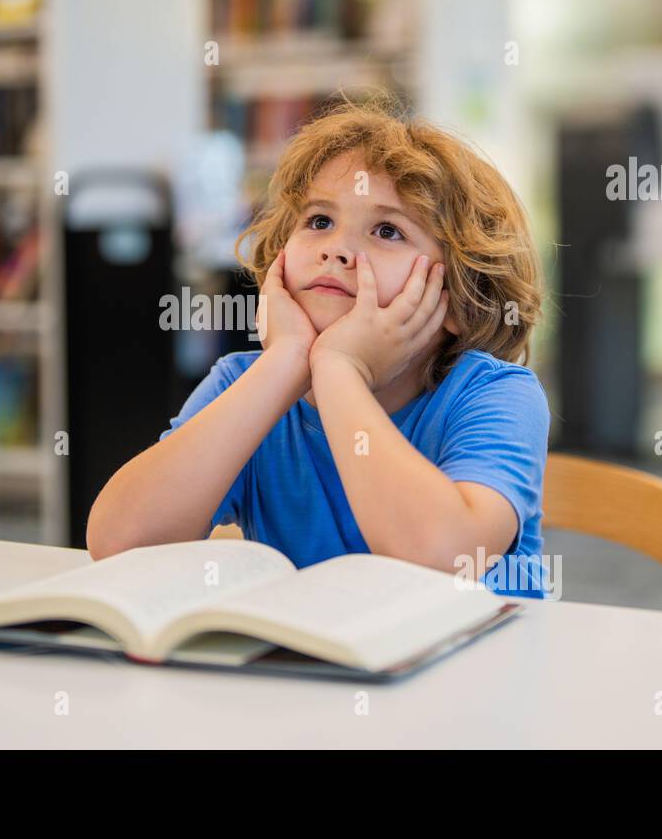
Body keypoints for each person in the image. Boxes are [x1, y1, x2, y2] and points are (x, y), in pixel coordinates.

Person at [87, 96, 550, 598]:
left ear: (461, 298)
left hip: (473, 672)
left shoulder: (497, 396)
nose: (335, 249)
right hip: (315, 671)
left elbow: (445, 556)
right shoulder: (246, 385)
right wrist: (285, 363)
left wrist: (339, 369)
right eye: (319, 221)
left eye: (387, 230)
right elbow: (119, 541)